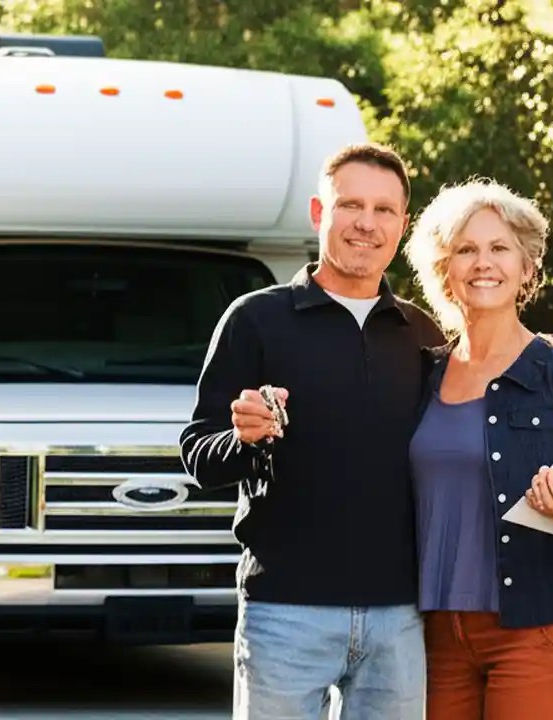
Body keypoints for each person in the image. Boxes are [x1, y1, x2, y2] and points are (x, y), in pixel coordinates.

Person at [179, 142, 444, 720]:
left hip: (400, 615)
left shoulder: (422, 333)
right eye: (351, 205)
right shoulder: (255, 319)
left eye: (384, 210)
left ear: (402, 224)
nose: (366, 224)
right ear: (320, 213)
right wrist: (241, 439)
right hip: (284, 609)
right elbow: (198, 454)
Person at [402, 178, 553, 719]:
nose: (484, 262)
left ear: (526, 267)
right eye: (466, 249)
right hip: (435, 637)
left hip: (537, 632)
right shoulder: (420, 375)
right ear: (444, 270)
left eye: (500, 247)